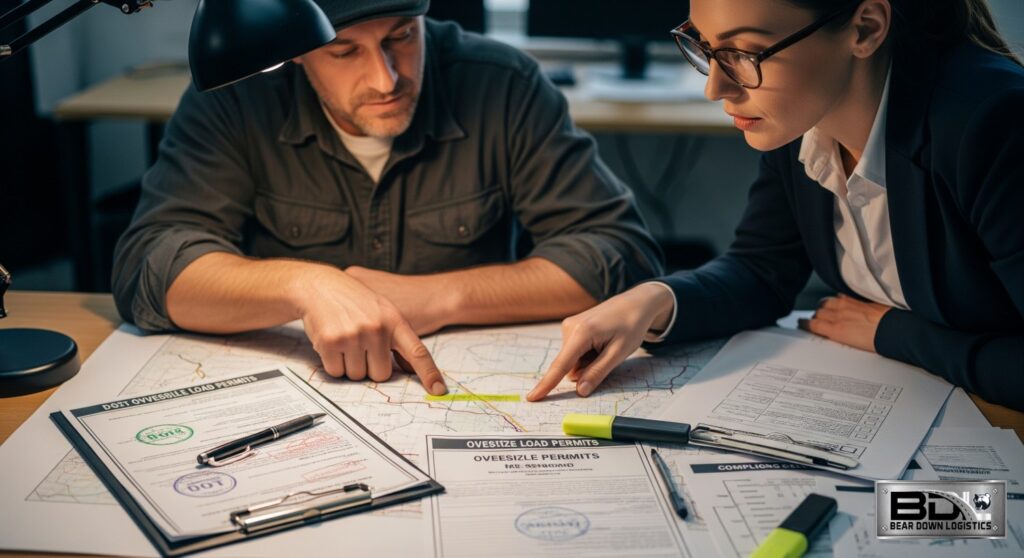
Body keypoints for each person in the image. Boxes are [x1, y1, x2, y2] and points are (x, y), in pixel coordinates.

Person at [112, 0, 663, 396]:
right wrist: (304, 285)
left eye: (402, 36)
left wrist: (442, 297)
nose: (385, 78)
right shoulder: (241, 94)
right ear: (297, 53)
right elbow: (148, 267)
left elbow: (621, 254)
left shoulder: (501, 82)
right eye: (344, 51)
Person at [529, 0, 1024, 411]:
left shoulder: (995, 125)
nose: (714, 88)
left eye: (744, 53)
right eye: (705, 47)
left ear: (866, 29)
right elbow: (763, 269)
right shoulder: (803, 113)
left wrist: (895, 334)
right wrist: (655, 301)